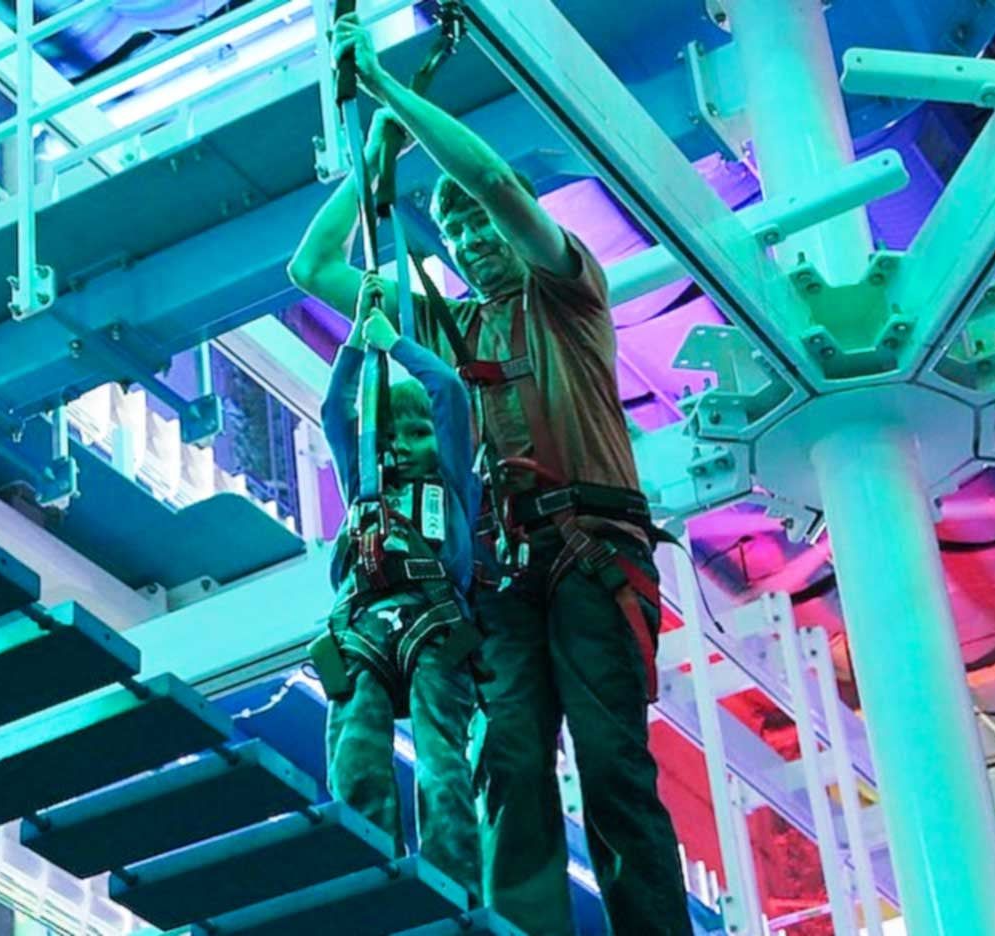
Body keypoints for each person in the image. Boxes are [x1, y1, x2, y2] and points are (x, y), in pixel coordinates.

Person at [288, 14, 692, 936]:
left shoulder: (566, 292)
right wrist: (372, 165)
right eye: (452, 231)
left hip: (591, 550)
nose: (469, 239)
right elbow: (312, 266)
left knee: (612, 765)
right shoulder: (441, 330)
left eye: (476, 227)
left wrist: (395, 95)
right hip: (503, 577)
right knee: (505, 762)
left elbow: (497, 182)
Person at [314, 272, 482, 897]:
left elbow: (449, 394)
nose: (407, 446)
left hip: (433, 623)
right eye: (393, 437)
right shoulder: (363, 483)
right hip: (362, 628)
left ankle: (453, 886)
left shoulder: (456, 487)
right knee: (357, 759)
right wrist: (355, 342)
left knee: (443, 768)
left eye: (418, 433)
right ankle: (366, 879)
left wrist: (396, 345)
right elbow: (337, 411)